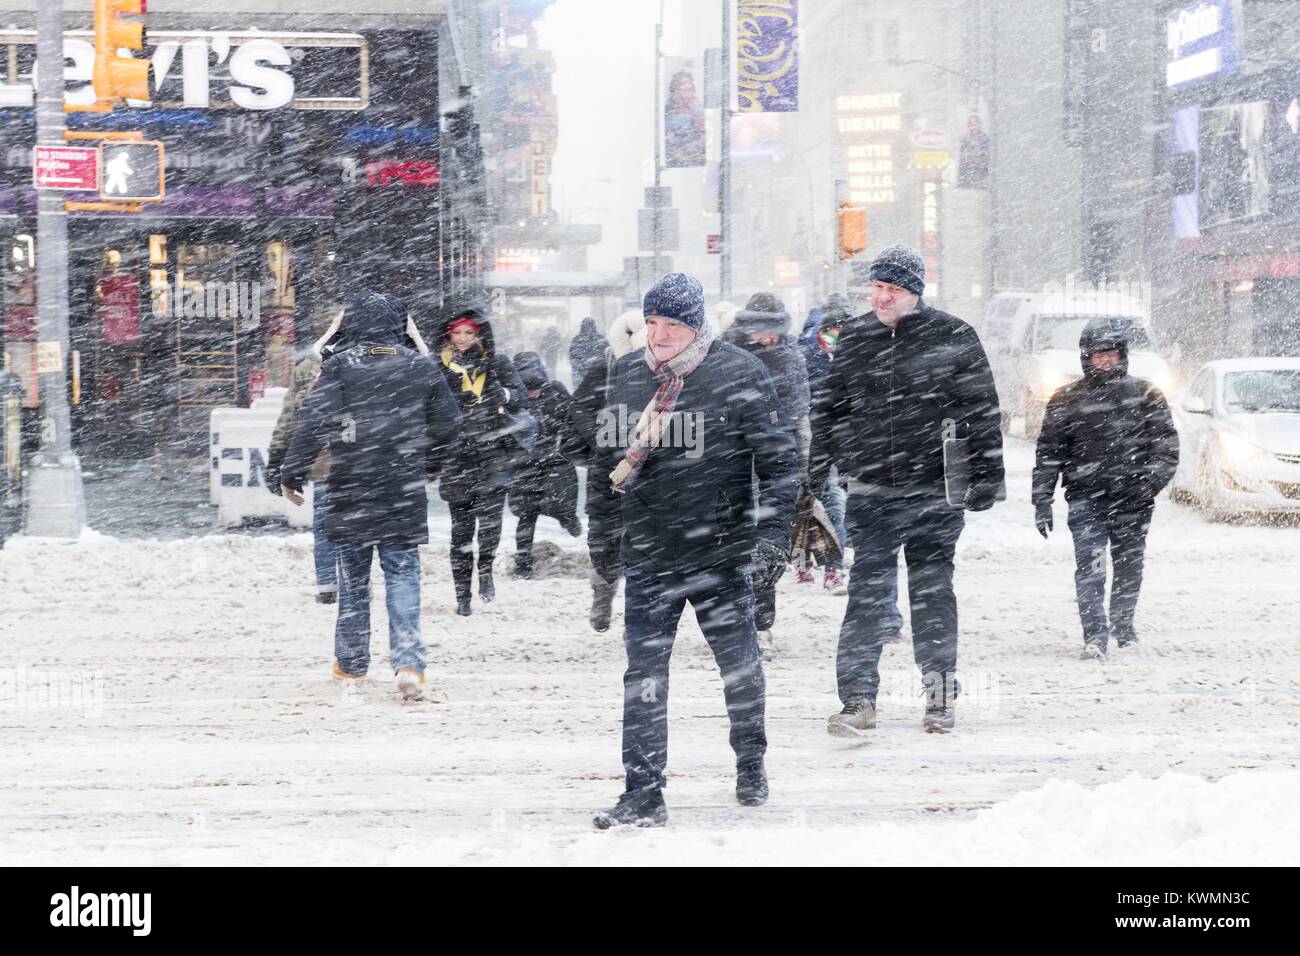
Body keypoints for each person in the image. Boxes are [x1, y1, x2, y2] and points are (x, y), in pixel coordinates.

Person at [589, 272, 799, 828]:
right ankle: (643, 793)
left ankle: (750, 760)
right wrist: (603, 538)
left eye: (672, 325)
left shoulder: (739, 373)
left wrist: (772, 536)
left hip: (720, 553)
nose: (658, 335)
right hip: (651, 553)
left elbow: (779, 464)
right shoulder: (628, 375)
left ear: (697, 326)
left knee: (739, 670)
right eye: (652, 322)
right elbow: (606, 464)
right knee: (644, 676)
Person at [811, 244, 1004, 735]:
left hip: (934, 489)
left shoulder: (954, 335)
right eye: (876, 287)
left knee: (932, 593)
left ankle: (939, 698)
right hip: (872, 490)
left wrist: (986, 479)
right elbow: (830, 409)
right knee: (868, 596)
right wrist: (821, 469)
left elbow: (982, 411)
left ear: (915, 292)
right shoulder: (855, 337)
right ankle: (857, 699)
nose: (882, 297)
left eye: (892, 289)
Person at [280, 292, 461, 701]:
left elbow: (313, 421)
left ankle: (351, 665)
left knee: (354, 580)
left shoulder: (340, 366)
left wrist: (292, 471)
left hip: (352, 483)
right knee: (403, 573)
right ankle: (410, 663)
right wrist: (429, 461)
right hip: (402, 484)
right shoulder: (421, 366)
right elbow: (450, 424)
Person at [1032, 319, 1179, 659]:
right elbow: (1049, 453)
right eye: (1099, 355)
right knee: (1091, 568)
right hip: (1086, 500)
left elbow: (1166, 449)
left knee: (1129, 568)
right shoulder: (1066, 399)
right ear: (1086, 358)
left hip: (1134, 501)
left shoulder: (1146, 394)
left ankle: (1124, 627)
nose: (1106, 361)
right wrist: (1041, 498)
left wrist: (1147, 485)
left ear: (1124, 356)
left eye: (1112, 354)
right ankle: (1095, 636)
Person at [434, 301, 529, 616]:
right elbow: (428, 409)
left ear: (479, 335)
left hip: (492, 455)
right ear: (448, 336)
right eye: (456, 333)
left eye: (468, 333)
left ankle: (485, 568)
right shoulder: (440, 367)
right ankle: (462, 597)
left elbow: (520, 396)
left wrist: (503, 395)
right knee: (460, 531)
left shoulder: (496, 363)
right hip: (456, 457)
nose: (462, 338)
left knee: (489, 526)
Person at [722, 292, 809, 633]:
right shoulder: (726, 353)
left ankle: (761, 602)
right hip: (731, 459)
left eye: (775, 330)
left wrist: (802, 467)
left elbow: (799, 417)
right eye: (763, 329)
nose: (769, 337)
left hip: (773, 459)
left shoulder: (789, 357)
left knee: (766, 538)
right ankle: (732, 612)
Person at [267, 309, 344, 604]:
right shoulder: (306, 369)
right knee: (326, 525)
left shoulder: (363, 364)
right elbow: (290, 418)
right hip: (324, 463)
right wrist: (278, 459)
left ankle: (349, 582)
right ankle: (328, 584)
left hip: (356, 463)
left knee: (347, 528)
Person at [509, 351, 583, 578]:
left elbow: (574, 417)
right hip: (527, 462)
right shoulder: (513, 396)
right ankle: (522, 566)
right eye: (528, 390)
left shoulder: (554, 390)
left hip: (550, 458)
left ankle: (567, 518)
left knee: (555, 500)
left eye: (536, 389)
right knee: (527, 515)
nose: (533, 394)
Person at [568, 318, 606, 388]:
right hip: (592, 377)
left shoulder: (577, 339)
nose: (589, 329)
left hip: (591, 377)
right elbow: (572, 357)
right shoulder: (600, 339)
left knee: (581, 396)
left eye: (590, 326)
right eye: (587, 327)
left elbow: (572, 357)